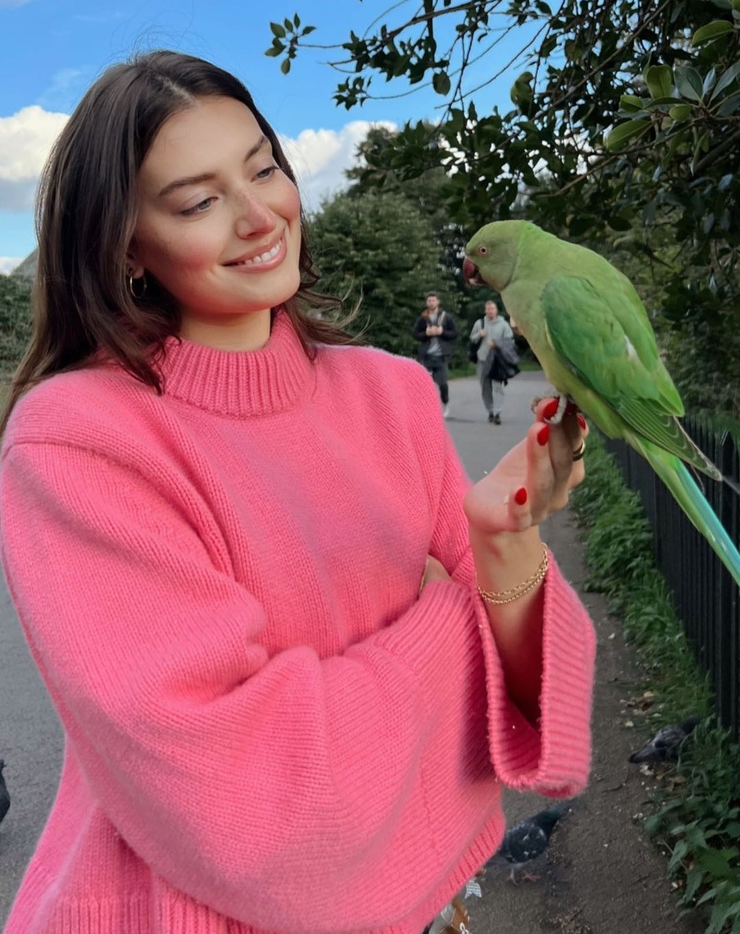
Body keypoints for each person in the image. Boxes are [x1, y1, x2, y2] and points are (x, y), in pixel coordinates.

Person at [0, 51, 595, 934]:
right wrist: (453, 613)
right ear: (127, 246)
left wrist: (504, 548)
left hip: (425, 907)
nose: (258, 217)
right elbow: (248, 807)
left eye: (264, 167)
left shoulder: (390, 392)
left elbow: (545, 693)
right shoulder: (81, 438)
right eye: (199, 201)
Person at [470, 300, 516, 425]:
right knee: (485, 387)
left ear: (496, 310)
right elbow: (472, 339)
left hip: (497, 360)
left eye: (492, 309)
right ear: (485, 311)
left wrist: (497, 343)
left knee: (497, 387)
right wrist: (479, 334)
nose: (490, 311)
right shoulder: (480, 323)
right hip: (483, 359)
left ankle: (497, 412)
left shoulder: (503, 324)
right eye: (488, 309)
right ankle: (490, 410)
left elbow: (510, 340)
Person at [413, 293, 458, 418]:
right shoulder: (423, 317)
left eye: (433, 300)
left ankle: (445, 403)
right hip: (426, 356)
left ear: (438, 302)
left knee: (442, 384)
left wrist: (442, 332)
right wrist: (426, 333)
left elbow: (455, 333)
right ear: (427, 303)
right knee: (427, 385)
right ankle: (429, 409)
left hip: (441, 356)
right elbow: (415, 334)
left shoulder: (446, 317)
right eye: (429, 301)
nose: (431, 303)